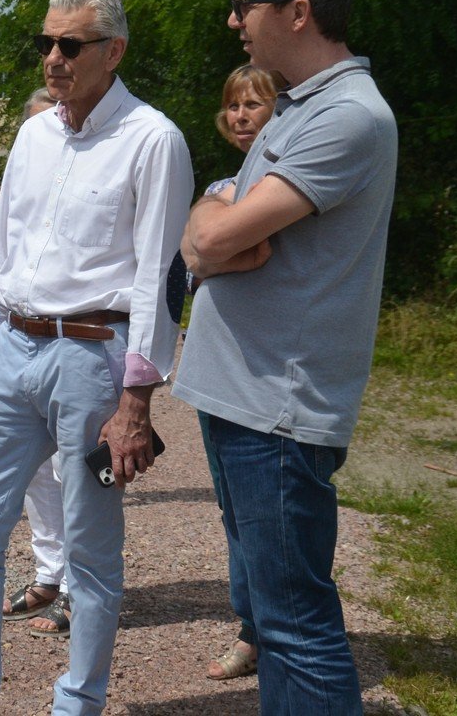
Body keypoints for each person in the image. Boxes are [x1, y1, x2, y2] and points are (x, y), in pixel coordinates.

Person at [0, 0, 194, 716]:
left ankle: (78, 703)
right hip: (14, 349)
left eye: (70, 45)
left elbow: (159, 278)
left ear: (113, 52)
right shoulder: (35, 136)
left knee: (89, 549)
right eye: (46, 42)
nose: (53, 57)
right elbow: (1, 256)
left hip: (93, 358)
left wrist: (136, 401)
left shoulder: (152, 139)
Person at [175, 0, 397, 715]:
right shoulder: (296, 107)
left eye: (246, 5)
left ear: (298, 12)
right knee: (275, 621)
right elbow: (212, 230)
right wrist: (212, 226)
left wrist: (211, 228)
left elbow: (210, 240)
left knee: (295, 625)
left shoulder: (348, 117)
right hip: (245, 399)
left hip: (277, 409)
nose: (233, 20)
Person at [0, 87, 70, 638]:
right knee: (37, 477)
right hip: (15, 339)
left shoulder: (105, 170)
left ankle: (78, 590)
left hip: (76, 346)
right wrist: (30, 268)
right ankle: (50, 574)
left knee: (76, 471)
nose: (54, 128)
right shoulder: (15, 185)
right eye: (41, 121)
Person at [192, 63, 286, 683]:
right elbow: (194, 256)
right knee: (230, 505)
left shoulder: (276, 185)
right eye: (234, 105)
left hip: (263, 368)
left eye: (255, 103)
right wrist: (209, 245)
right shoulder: (225, 185)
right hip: (214, 368)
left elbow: (254, 251)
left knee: (263, 509)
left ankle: (267, 633)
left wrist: (210, 247)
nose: (242, 114)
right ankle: (251, 624)